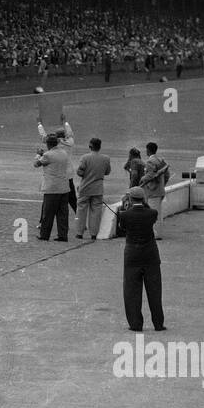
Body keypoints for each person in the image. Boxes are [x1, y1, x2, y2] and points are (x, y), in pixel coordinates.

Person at [120, 186, 165, 332]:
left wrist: (125, 206)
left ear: (130, 199)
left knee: (132, 291)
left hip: (132, 255)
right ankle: (158, 323)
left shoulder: (125, 215)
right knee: (154, 290)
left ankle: (135, 324)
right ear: (144, 198)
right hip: (150, 255)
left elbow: (123, 227)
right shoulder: (152, 213)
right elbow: (149, 213)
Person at [33, 133, 71, 242]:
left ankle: (44, 235)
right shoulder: (64, 153)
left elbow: (36, 164)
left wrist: (38, 155)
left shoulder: (47, 155)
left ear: (48, 144)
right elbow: (54, 156)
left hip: (52, 188)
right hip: (64, 187)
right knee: (62, 214)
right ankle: (63, 235)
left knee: (48, 214)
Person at [74, 137, 112, 241]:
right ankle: (94, 234)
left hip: (85, 187)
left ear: (90, 146)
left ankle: (79, 233)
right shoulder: (106, 158)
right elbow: (107, 172)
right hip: (98, 188)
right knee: (96, 211)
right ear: (99, 147)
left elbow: (79, 172)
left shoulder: (84, 157)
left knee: (81, 210)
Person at [140, 141, 170, 239]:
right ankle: (158, 233)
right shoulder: (160, 160)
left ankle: (155, 234)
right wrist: (162, 184)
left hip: (153, 191)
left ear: (148, 150)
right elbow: (167, 174)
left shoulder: (150, 162)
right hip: (160, 191)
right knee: (158, 213)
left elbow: (150, 175)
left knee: (153, 213)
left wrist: (142, 179)